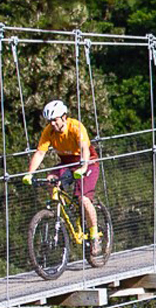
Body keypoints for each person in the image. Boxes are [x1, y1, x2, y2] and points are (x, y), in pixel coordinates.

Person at [21, 100, 101, 251]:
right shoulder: (49, 132)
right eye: (49, 121)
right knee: (50, 180)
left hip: (87, 161)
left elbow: (85, 148)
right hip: (67, 162)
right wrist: (29, 173)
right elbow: (40, 153)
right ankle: (59, 212)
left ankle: (95, 235)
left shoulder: (75, 127)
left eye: (55, 120)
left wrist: (83, 167)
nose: (52, 124)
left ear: (64, 117)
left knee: (83, 199)